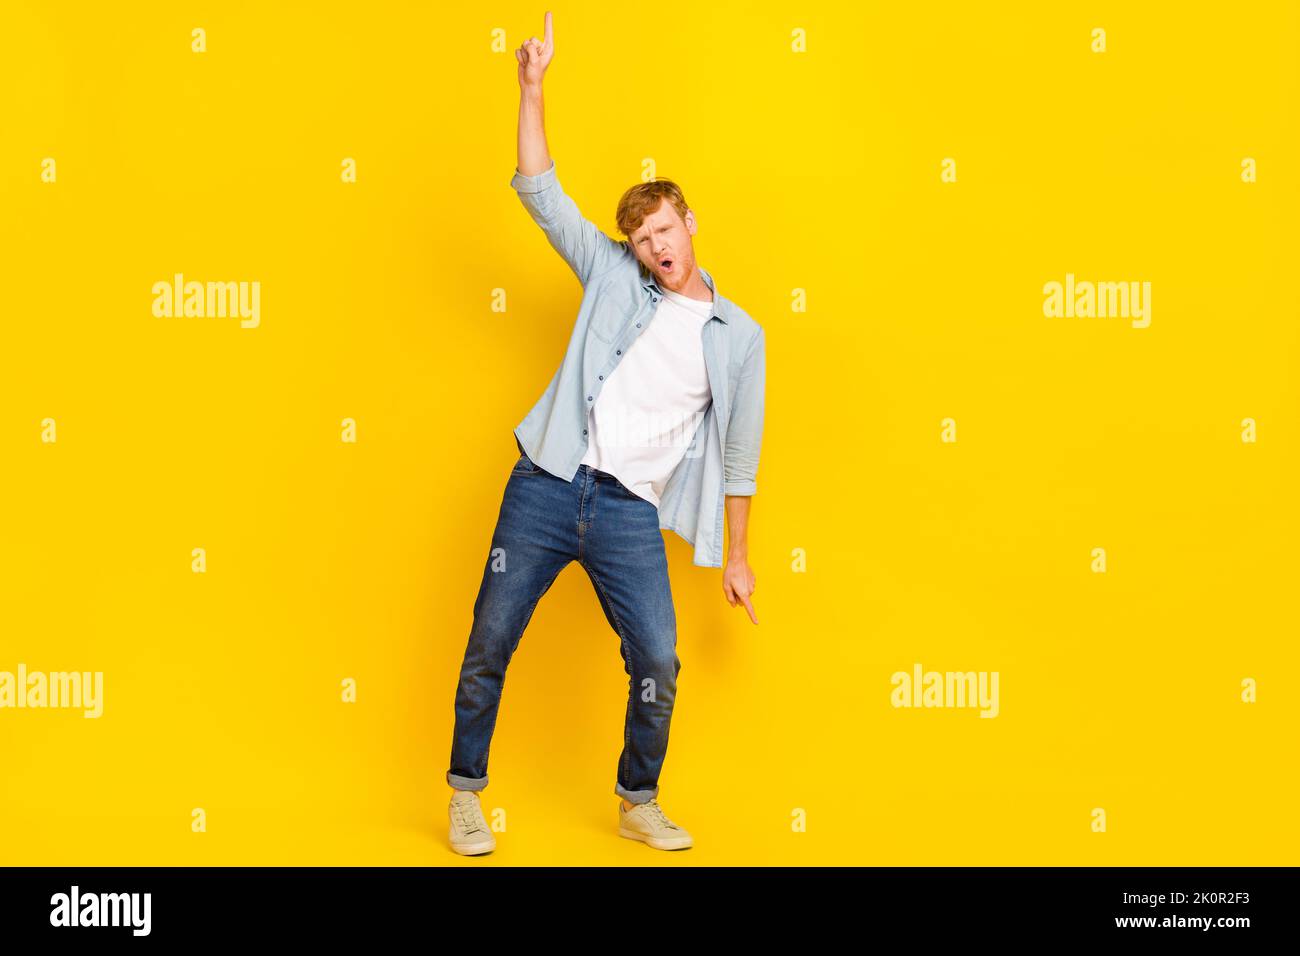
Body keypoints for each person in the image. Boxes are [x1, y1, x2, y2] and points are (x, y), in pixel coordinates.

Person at [446, 10, 766, 855]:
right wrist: (532, 87)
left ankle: (637, 799)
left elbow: (740, 458)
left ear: (689, 223)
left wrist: (736, 557)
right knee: (490, 637)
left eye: (663, 230)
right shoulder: (610, 274)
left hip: (627, 512)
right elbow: (540, 190)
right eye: (640, 238)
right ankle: (466, 793)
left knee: (657, 662)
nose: (654, 246)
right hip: (547, 486)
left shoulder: (741, 337)